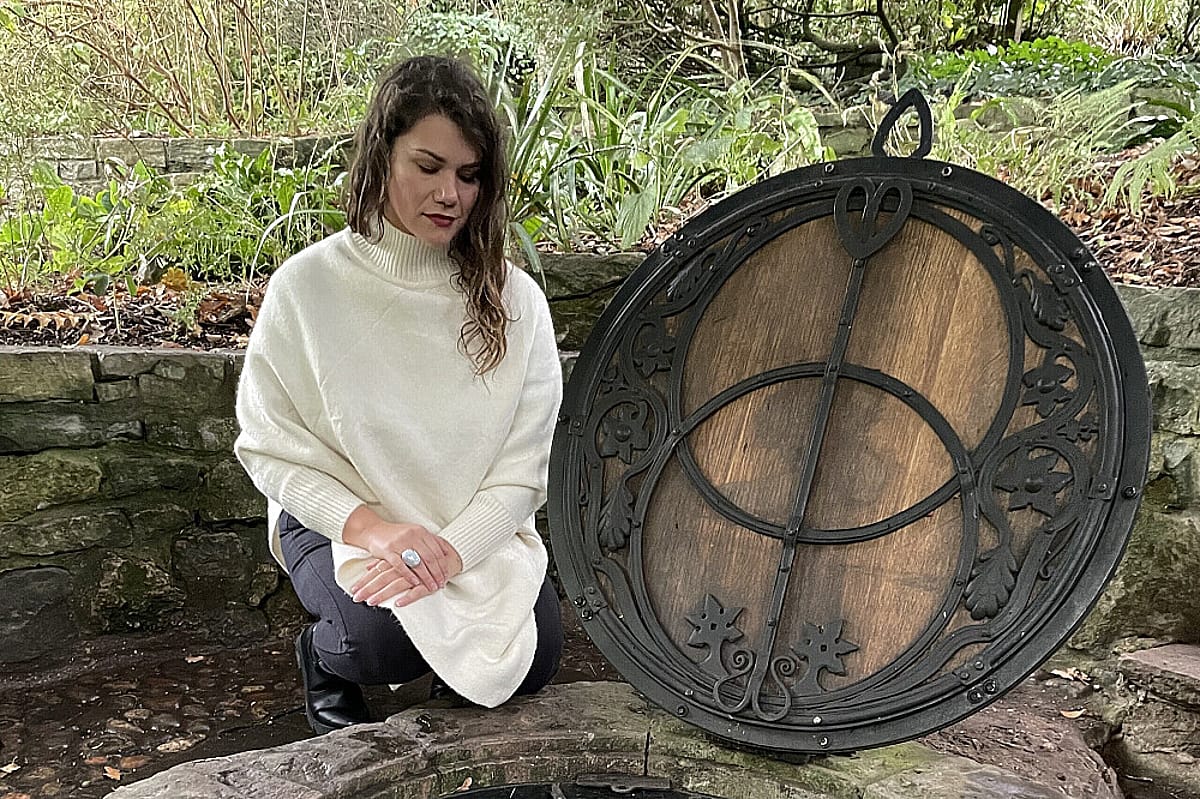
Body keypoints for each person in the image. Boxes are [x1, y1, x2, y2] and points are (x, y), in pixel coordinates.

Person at [233, 55, 564, 735]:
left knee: (534, 657)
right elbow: (267, 444)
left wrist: (451, 550)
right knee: (375, 644)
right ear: (381, 156)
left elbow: (528, 463)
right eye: (429, 166)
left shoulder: (516, 302)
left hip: (465, 516)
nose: (450, 194)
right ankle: (323, 657)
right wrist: (376, 532)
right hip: (342, 512)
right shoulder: (307, 289)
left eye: (469, 176)